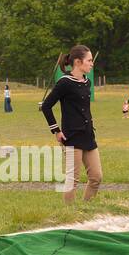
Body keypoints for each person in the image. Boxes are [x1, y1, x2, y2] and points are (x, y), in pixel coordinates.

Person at [40, 45, 101, 204]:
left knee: (96, 177)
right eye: (89, 60)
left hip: (88, 135)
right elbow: (46, 106)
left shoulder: (87, 82)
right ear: (78, 62)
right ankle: (70, 216)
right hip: (71, 136)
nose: (91, 63)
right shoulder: (64, 83)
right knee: (72, 179)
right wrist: (56, 131)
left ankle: (86, 210)